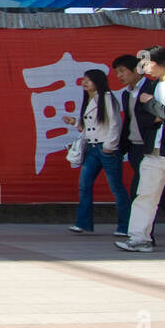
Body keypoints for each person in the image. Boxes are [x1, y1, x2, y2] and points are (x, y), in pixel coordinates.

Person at [111, 54, 165, 244]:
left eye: (122, 71)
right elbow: (139, 120)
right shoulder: (136, 91)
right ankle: (140, 238)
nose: (119, 75)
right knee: (146, 194)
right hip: (146, 150)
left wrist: (154, 108)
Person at [62, 69, 130, 236]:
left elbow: (115, 123)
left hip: (106, 149)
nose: (84, 83)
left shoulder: (106, 98)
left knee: (116, 188)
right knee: (84, 185)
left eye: (89, 80)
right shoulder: (89, 99)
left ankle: (125, 226)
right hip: (92, 148)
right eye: (83, 79)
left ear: (98, 81)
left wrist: (109, 146)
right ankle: (83, 223)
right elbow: (92, 127)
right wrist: (75, 122)